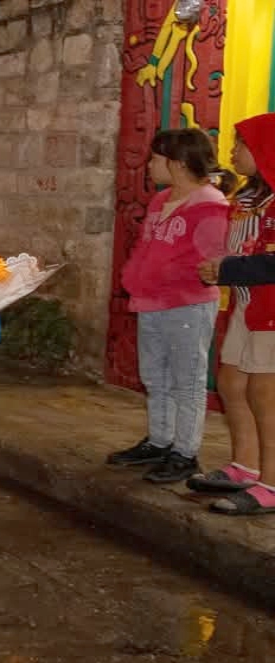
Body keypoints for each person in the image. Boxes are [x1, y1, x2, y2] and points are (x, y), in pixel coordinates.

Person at [107, 129, 229, 483]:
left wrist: (159, 279)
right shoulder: (161, 201)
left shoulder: (210, 205)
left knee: (186, 381)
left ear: (175, 164)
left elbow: (208, 262)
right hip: (151, 302)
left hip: (186, 305)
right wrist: (135, 278)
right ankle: (160, 440)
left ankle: (185, 452)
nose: (149, 165)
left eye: (155, 159)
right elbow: (145, 247)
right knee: (154, 376)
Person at [190, 112, 275, 514]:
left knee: (266, 393)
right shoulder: (247, 197)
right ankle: (246, 464)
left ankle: (272, 483)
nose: (232, 151)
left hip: (271, 308)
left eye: (241, 143)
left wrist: (226, 268)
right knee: (232, 382)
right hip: (247, 302)